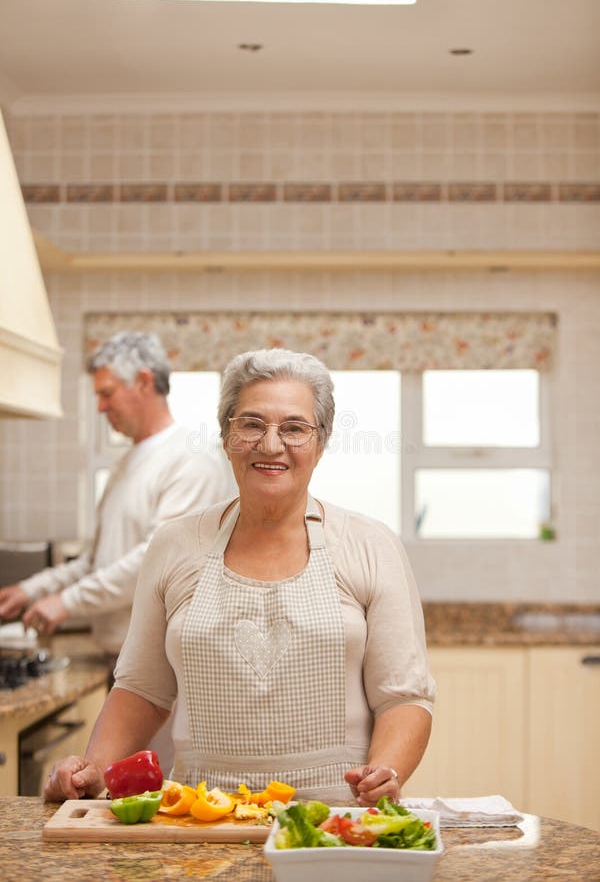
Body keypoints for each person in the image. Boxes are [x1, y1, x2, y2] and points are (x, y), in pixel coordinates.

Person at [44, 347, 435, 807]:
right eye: (251, 424)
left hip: (335, 823)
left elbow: (403, 697)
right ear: (227, 436)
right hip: (199, 820)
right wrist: (94, 768)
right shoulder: (174, 545)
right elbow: (143, 690)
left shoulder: (371, 546)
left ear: (320, 443)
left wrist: (384, 772)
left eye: (294, 428)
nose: (271, 445)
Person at [0, 331, 234, 658]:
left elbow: (156, 560)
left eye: (106, 393)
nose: (100, 407)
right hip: (125, 658)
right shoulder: (126, 463)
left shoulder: (191, 459)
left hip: (167, 665)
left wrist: (67, 602)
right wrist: (30, 590)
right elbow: (96, 562)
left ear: (143, 381)